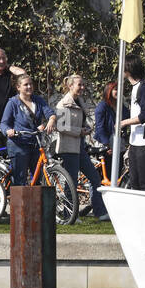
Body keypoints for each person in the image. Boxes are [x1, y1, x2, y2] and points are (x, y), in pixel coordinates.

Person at [55, 74, 106, 221]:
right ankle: (69, 214)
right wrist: (80, 132)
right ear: (70, 86)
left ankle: (100, 212)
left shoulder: (80, 101)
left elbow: (81, 121)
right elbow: (61, 127)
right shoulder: (63, 104)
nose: (82, 87)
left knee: (95, 177)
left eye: (83, 84)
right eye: (79, 85)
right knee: (71, 182)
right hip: (68, 148)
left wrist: (86, 128)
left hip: (80, 147)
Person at [1, 73, 57, 187]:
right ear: (18, 87)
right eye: (26, 85)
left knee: (38, 177)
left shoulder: (38, 100)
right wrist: (8, 131)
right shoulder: (13, 103)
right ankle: (19, 204)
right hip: (18, 144)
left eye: (31, 84)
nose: (29, 87)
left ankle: (36, 204)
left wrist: (51, 120)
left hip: (35, 143)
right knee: (20, 179)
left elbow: (50, 113)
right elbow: (4, 123)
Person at [119, 54, 145, 192]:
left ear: (129, 69)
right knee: (134, 180)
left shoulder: (144, 88)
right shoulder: (136, 87)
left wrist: (124, 122)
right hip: (136, 141)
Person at [94, 81, 121, 181]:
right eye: (115, 89)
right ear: (109, 91)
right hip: (104, 145)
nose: (118, 92)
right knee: (105, 175)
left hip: (117, 144)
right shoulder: (102, 106)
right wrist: (106, 144)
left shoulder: (120, 106)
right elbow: (99, 127)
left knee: (117, 173)